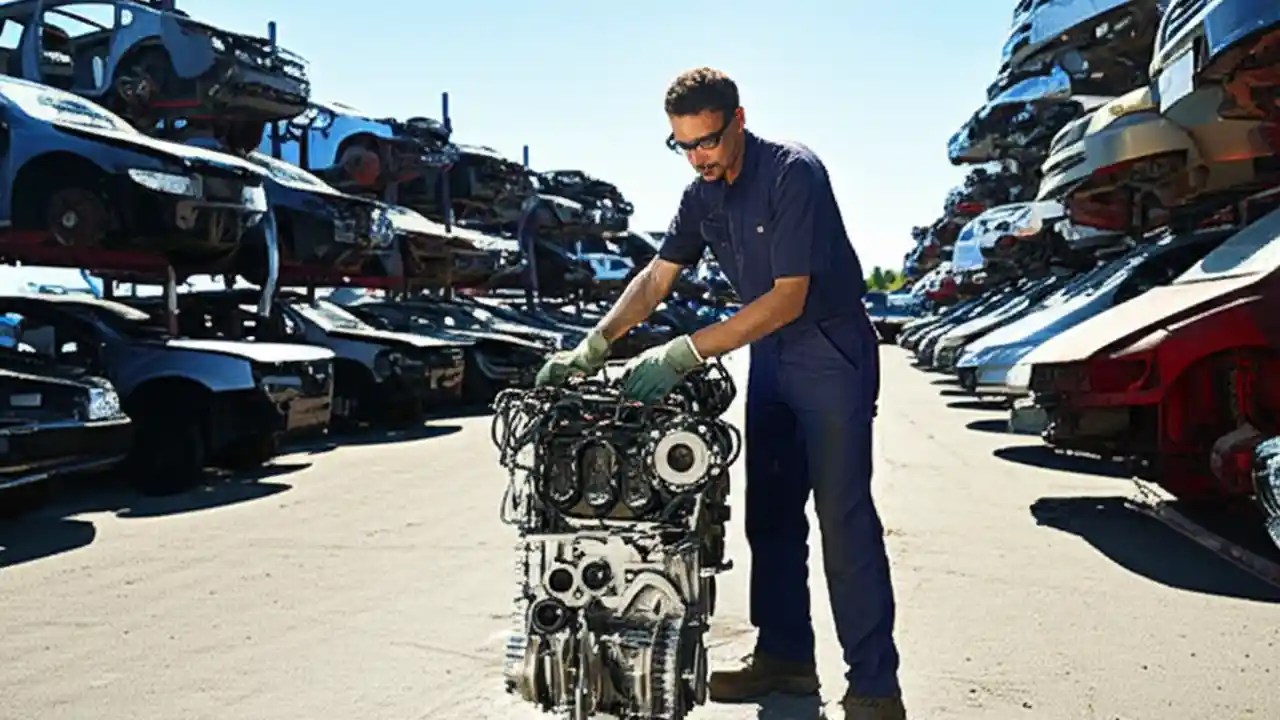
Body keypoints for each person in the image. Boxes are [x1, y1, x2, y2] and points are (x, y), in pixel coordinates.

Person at [534, 67, 905, 720]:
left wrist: (685, 351)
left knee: (842, 519)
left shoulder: (793, 173)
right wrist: (596, 342)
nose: (698, 156)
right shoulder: (702, 196)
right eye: (683, 144)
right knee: (769, 514)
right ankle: (786, 658)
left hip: (829, 350)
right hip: (772, 357)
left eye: (707, 140)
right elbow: (657, 277)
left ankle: (875, 685)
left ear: (737, 120)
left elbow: (788, 298)